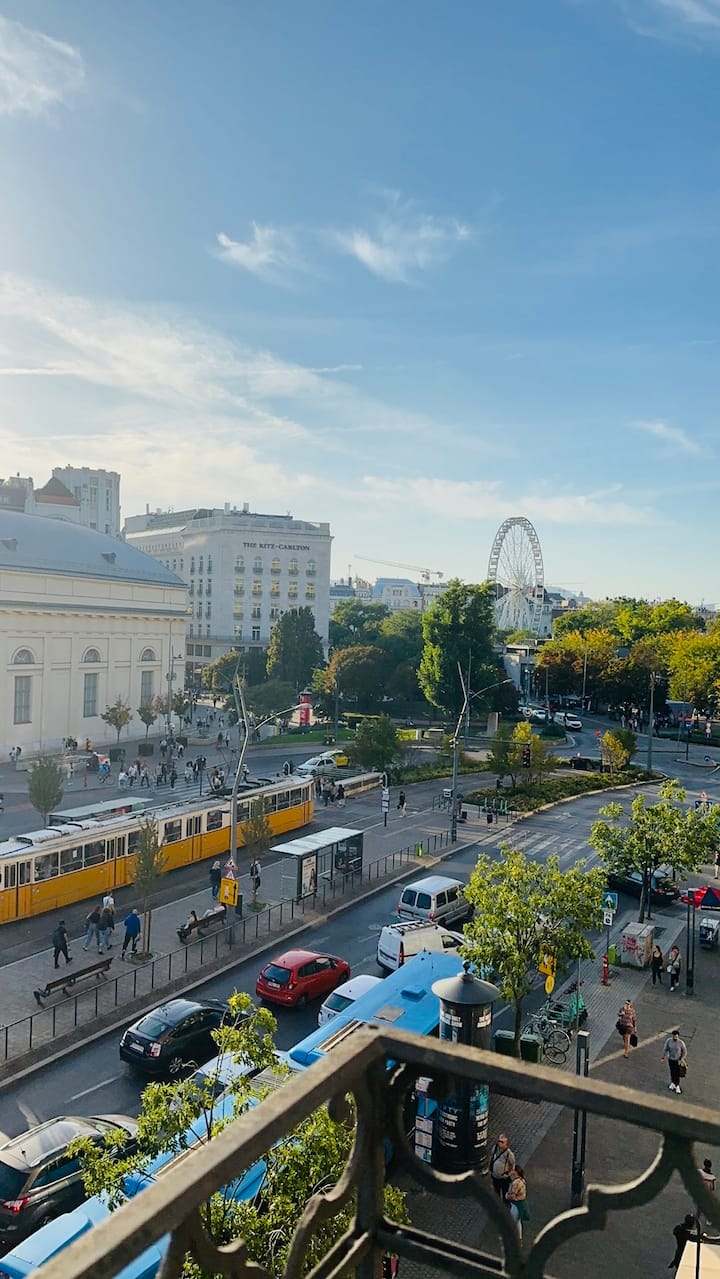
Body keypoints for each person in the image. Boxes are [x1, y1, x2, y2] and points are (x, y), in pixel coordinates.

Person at [505, 1165, 528, 1240]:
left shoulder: (515, 1183)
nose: (511, 1171)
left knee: (513, 1222)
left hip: (515, 1206)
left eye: (512, 1170)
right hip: (520, 1204)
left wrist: (506, 1195)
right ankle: (519, 1238)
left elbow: (511, 1196)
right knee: (518, 1222)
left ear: (516, 1172)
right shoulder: (522, 1180)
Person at [661, 1028, 688, 1094]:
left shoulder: (681, 1043)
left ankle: (677, 1085)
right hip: (670, 1059)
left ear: (678, 1036)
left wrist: (682, 1058)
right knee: (672, 1071)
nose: (675, 1037)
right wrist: (663, 1057)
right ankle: (673, 1083)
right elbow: (665, 1049)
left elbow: (685, 1052)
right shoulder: (669, 1041)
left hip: (677, 1060)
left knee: (677, 1073)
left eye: (676, 1036)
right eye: (674, 1036)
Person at [489, 1134, 515, 1199]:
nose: (500, 1143)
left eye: (502, 1142)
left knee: (505, 1194)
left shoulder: (509, 1154)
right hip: (495, 1177)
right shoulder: (495, 1148)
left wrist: (508, 1174)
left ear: (506, 1144)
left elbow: (512, 1164)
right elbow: (492, 1157)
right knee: (496, 1193)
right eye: (499, 1141)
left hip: (503, 1178)